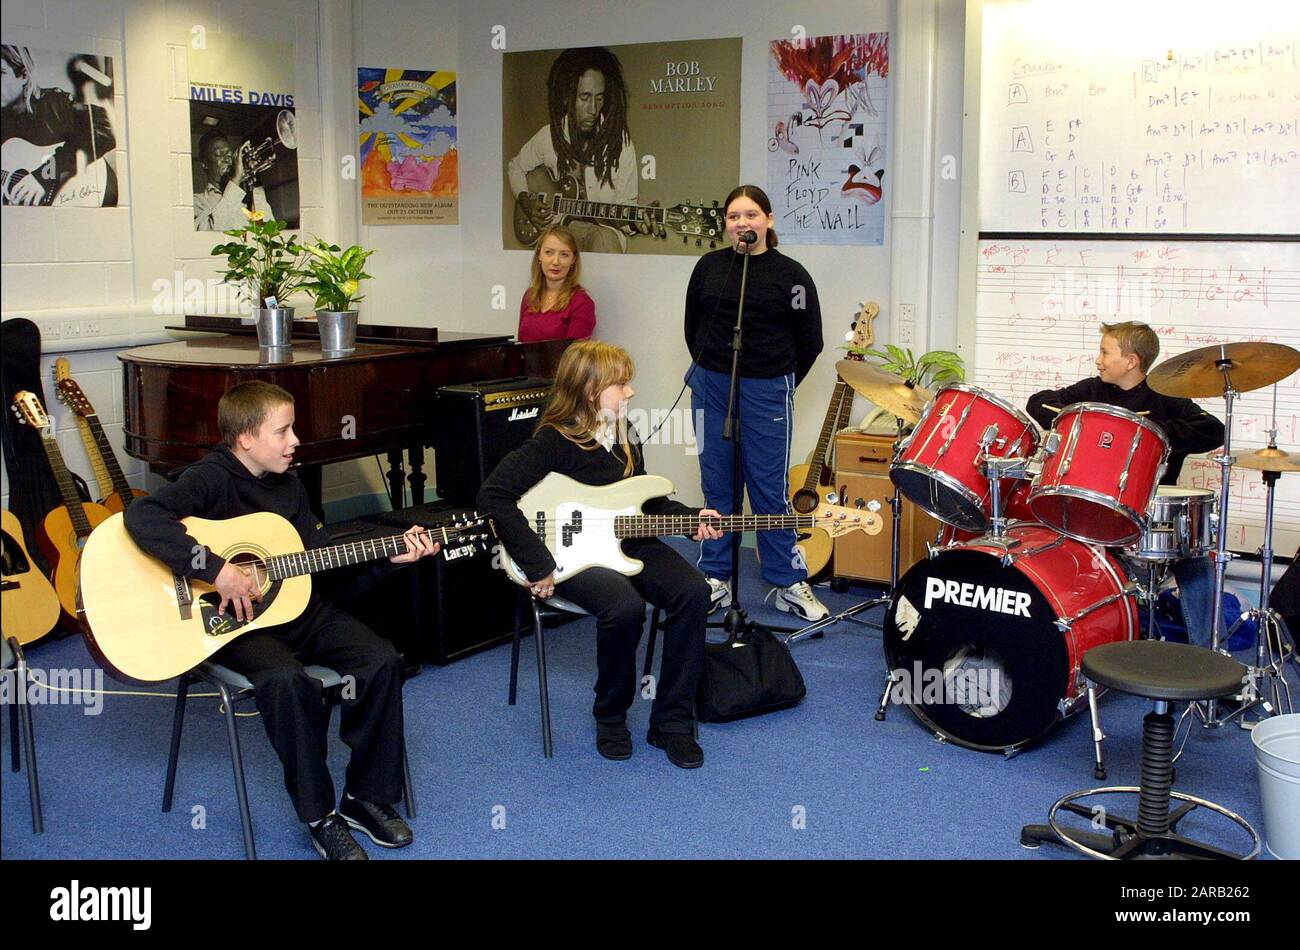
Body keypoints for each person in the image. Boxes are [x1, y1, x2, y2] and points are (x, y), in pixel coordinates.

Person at [124, 382, 439, 859]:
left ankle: (364, 798)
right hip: (233, 622)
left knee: (380, 660)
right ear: (245, 438)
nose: (295, 441)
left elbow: (318, 568)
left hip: (296, 608)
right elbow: (143, 515)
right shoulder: (210, 478)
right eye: (283, 430)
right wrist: (217, 569)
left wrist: (384, 559)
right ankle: (320, 815)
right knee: (287, 682)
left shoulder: (290, 485)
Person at [477, 340, 722, 768]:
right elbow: (493, 495)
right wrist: (539, 565)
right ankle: (610, 717)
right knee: (624, 608)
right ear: (590, 390)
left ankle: (672, 723)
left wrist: (690, 518)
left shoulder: (626, 434)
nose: (630, 393)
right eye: (620, 384)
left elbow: (646, 503)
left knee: (694, 592)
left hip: (629, 542)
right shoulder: (553, 441)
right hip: (569, 553)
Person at [1027, 321, 1225, 648]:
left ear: (1131, 361)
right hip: (1093, 503)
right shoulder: (1092, 390)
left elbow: (1212, 429)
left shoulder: (1165, 396)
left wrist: (1153, 430)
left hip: (1149, 505)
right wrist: (1091, 417)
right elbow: (1038, 403)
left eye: (1105, 352)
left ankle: (1204, 654)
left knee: (1195, 558)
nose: (1098, 360)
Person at [684, 184, 828, 622]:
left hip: (768, 388)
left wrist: (779, 382)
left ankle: (786, 580)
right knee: (718, 485)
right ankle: (717, 577)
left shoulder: (793, 276)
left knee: (768, 490)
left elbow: (811, 341)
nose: (742, 223)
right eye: (733, 216)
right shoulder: (709, 268)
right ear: (725, 224)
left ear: (768, 219)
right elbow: (693, 327)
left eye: (750, 215)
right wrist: (712, 370)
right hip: (712, 386)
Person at [506, 47, 659, 253]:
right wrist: (526, 201)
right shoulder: (550, 135)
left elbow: (625, 204)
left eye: (599, 98)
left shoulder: (620, 142)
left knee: (603, 238)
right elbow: (515, 166)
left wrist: (635, 221)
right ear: (567, 97)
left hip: (604, 235)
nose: (593, 109)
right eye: (585, 97)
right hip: (561, 233)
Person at [1, 45, 117, 207]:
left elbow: (107, 128)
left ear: (23, 75)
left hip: (85, 196)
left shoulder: (53, 103)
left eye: (1, 73)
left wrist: (42, 178)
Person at [517, 224, 596, 342]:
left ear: (573, 259)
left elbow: (575, 356)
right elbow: (520, 346)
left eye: (564, 254)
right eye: (549, 252)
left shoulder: (581, 302)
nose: (556, 261)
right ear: (539, 255)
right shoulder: (530, 295)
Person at [193, 128, 273, 231]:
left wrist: (255, 180)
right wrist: (236, 180)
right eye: (220, 154)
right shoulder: (197, 202)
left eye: (229, 154)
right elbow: (209, 230)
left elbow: (269, 230)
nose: (227, 159)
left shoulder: (244, 201)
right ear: (205, 164)